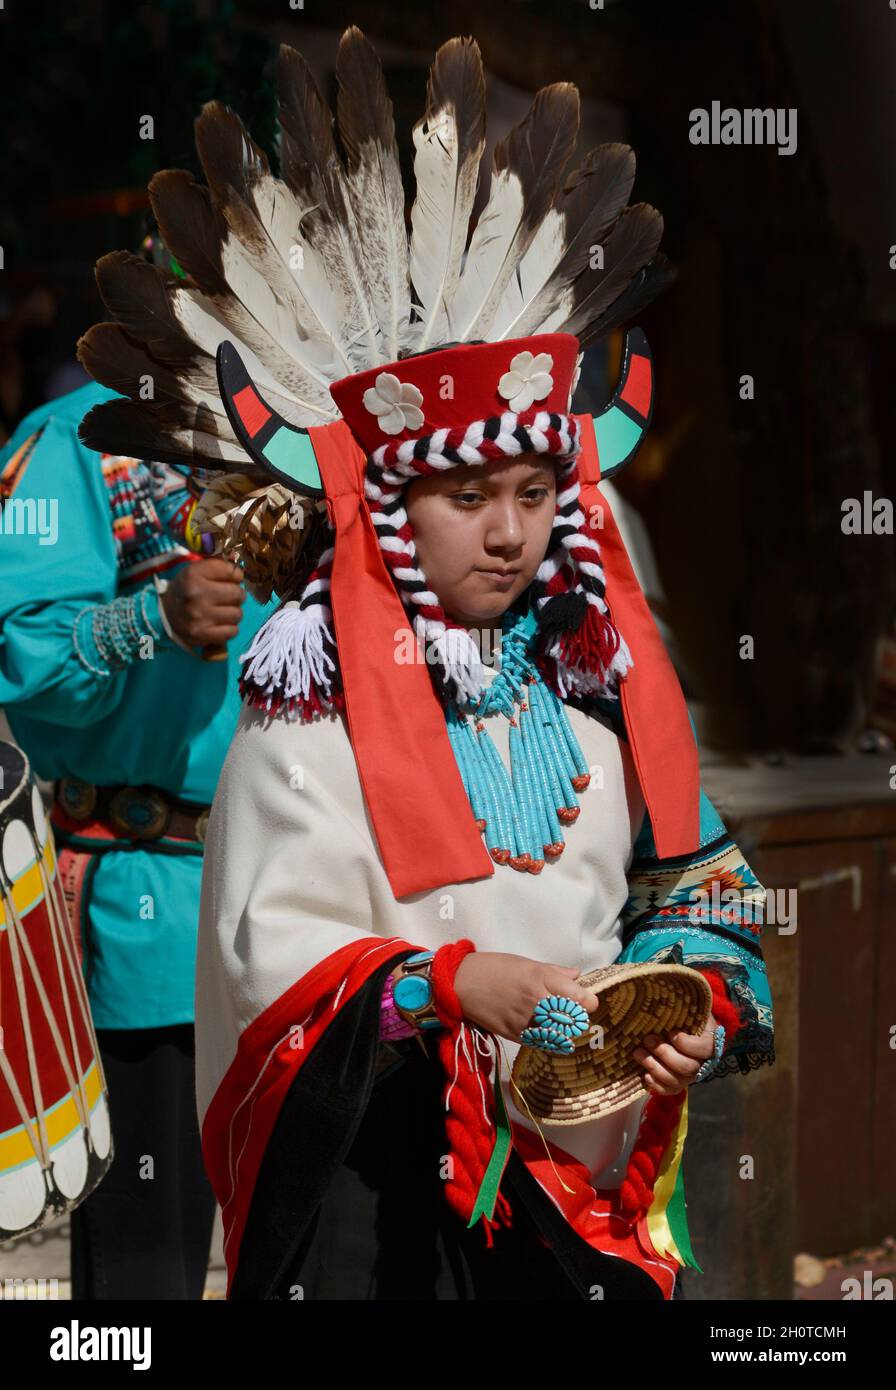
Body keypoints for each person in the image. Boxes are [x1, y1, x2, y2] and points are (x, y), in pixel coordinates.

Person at [73, 28, 775, 1300]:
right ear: (390, 510)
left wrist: (689, 1007)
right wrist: (455, 986)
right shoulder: (310, 712)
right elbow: (267, 960)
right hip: (379, 1196)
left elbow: (701, 885)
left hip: (580, 1190)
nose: (508, 531)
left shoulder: (593, 689)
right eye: (464, 497)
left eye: (528, 489)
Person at [0, 372, 276, 1297]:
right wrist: (151, 618)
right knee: (145, 1275)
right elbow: (20, 649)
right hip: (152, 910)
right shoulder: (79, 435)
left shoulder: (324, 430)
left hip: (318, 908)